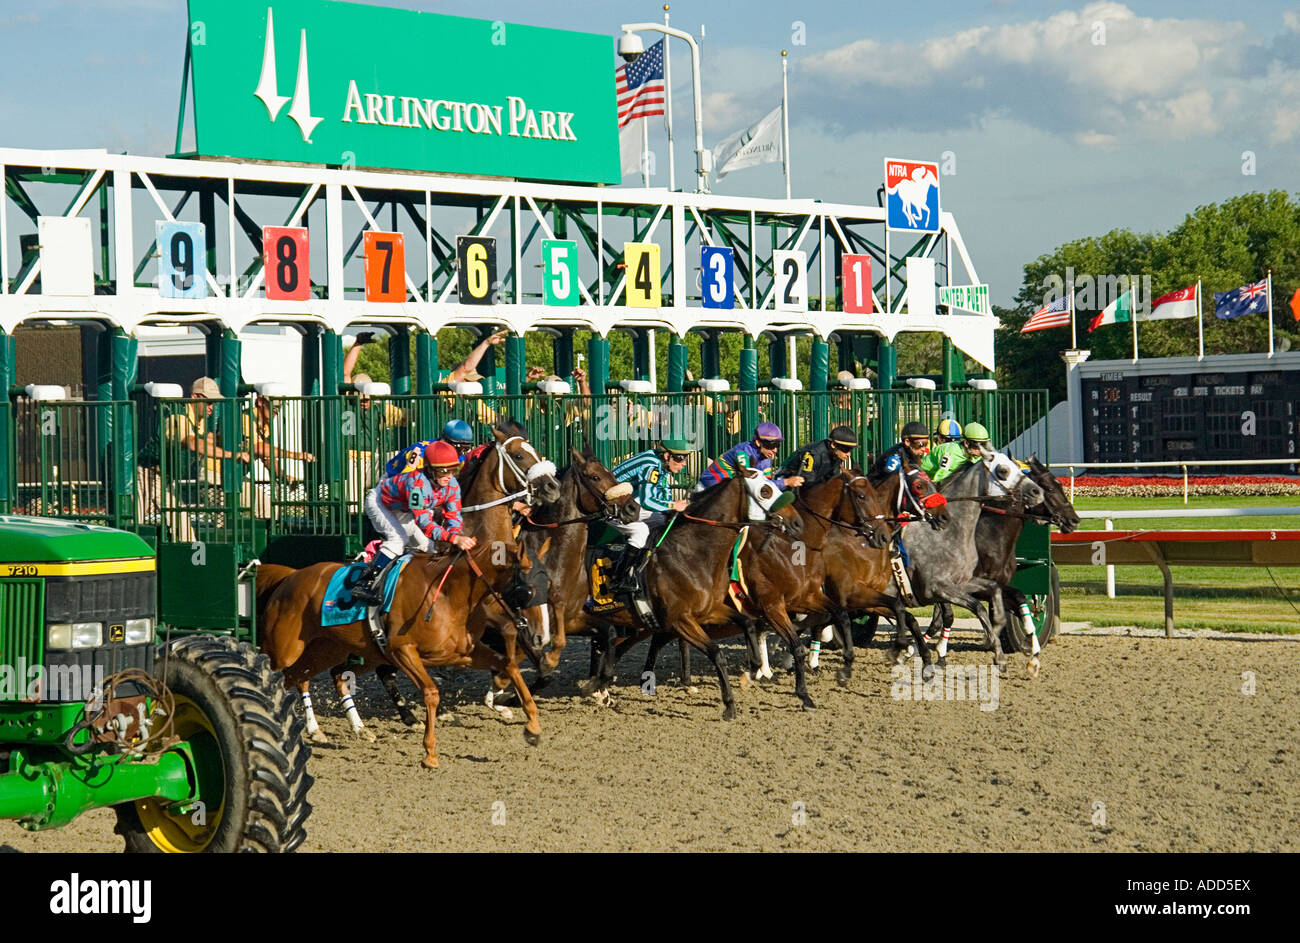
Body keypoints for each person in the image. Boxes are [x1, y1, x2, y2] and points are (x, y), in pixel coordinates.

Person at [351, 440, 476, 605]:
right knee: (398, 540)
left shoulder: (452, 484)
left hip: (403, 509)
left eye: (454, 470)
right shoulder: (417, 484)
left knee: (428, 547)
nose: (450, 476)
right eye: (444, 471)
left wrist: (456, 534)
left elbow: (454, 516)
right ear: (430, 470)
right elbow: (424, 523)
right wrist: (453, 539)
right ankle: (364, 583)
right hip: (380, 502)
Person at [606, 438, 694, 594]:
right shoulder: (652, 465)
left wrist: (672, 507)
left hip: (629, 505)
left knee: (665, 521)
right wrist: (672, 506)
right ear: (667, 456)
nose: (684, 463)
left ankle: (646, 566)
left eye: (686, 458)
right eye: (680, 458)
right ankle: (619, 578)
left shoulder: (660, 465)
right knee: (641, 531)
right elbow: (647, 501)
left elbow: (663, 493)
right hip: (611, 507)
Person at [699, 422, 804, 491]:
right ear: (758, 442)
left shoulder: (766, 458)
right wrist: (786, 482)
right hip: (709, 487)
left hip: (728, 489)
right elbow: (751, 484)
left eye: (777, 445)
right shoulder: (742, 453)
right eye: (771, 445)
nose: (775, 450)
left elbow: (766, 485)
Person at [778, 425, 859, 489]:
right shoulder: (813, 455)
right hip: (786, 484)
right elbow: (807, 483)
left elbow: (832, 479)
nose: (848, 454)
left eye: (850, 449)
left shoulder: (836, 454)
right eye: (845, 449)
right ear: (833, 445)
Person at [867, 420, 932, 487]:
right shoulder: (894, 458)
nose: (924, 449)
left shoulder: (913, 454)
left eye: (926, 444)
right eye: (921, 444)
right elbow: (889, 484)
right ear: (907, 442)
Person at [920, 417, 968, 485]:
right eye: (948, 440)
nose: (952, 443)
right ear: (940, 438)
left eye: (957, 440)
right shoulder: (930, 446)